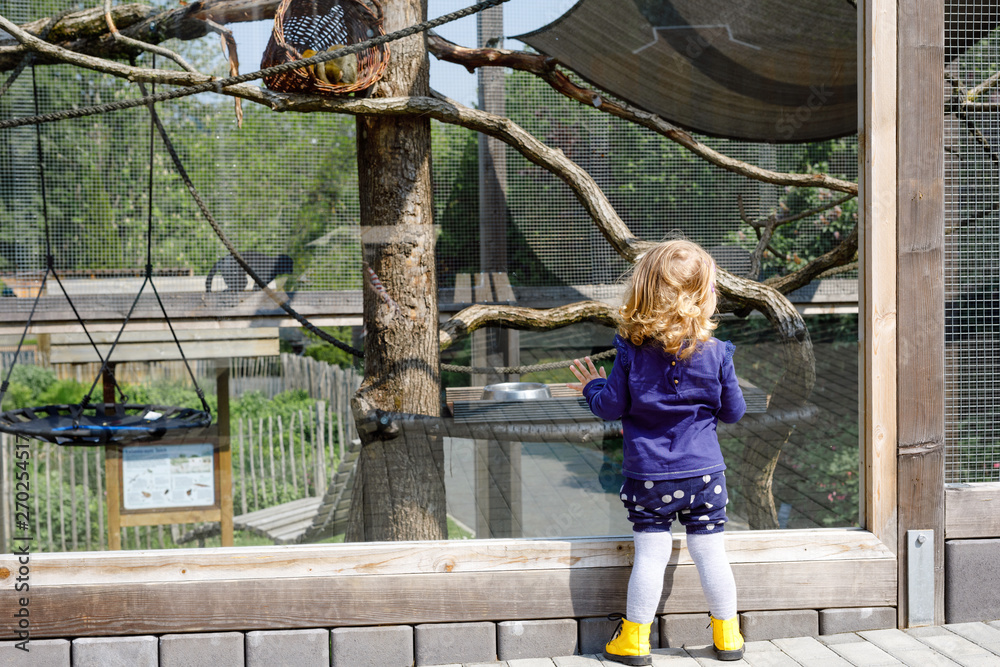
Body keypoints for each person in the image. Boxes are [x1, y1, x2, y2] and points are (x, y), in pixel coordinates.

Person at [568, 239, 747, 665]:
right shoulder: (718, 353)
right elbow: (734, 412)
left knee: (650, 554)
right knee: (711, 552)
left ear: (643, 292)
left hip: (649, 477)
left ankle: (633, 642)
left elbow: (610, 407)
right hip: (705, 476)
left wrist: (592, 386)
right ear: (706, 296)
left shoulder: (631, 350)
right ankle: (728, 637)